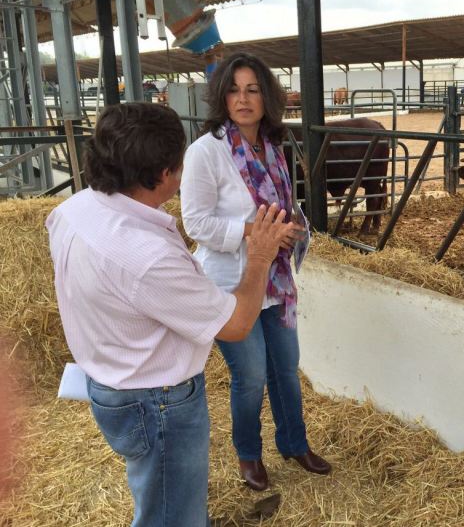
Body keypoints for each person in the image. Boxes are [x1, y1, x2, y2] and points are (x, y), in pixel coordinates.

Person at [46, 102, 300, 526]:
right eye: (178, 166)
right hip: (157, 402)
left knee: (161, 493)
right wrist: (259, 256)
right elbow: (236, 325)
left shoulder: (75, 210)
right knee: (170, 514)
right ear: (165, 174)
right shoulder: (149, 257)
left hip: (110, 382)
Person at [180, 52, 332, 492]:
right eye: (233, 89)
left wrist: (293, 227)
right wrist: (257, 234)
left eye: (252, 89)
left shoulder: (272, 147)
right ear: (221, 96)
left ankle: (294, 443)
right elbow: (197, 223)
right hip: (231, 283)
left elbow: (281, 207)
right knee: (249, 377)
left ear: (267, 97)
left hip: (276, 281)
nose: (243, 99)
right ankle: (249, 455)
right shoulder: (205, 151)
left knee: (285, 368)